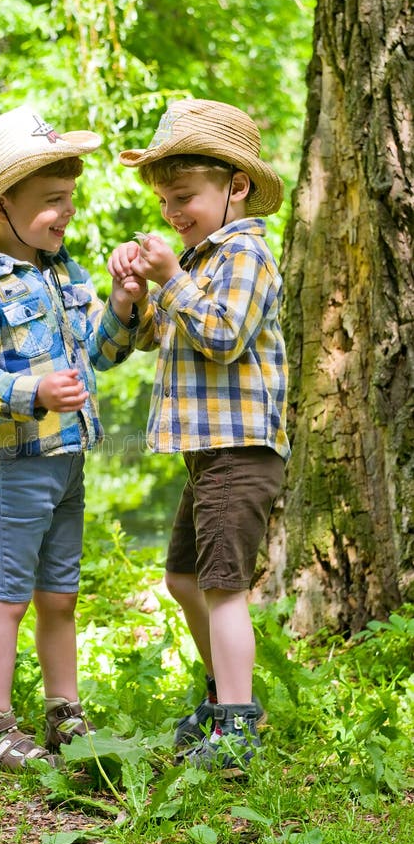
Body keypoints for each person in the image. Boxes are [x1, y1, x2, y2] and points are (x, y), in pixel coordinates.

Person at [0, 104, 143, 771]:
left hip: (67, 462)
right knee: (11, 597)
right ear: (0, 206)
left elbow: (101, 354)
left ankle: (65, 714)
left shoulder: (65, 274)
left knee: (60, 595)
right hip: (14, 467)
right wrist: (35, 394)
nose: (67, 213)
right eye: (52, 201)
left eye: (69, 198)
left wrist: (121, 305)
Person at [108, 98, 291, 775]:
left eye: (183, 196)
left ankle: (237, 730)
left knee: (223, 588)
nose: (171, 213)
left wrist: (172, 277)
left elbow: (221, 337)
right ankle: (227, 702)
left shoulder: (246, 256)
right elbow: (145, 336)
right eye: (163, 200)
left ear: (235, 187)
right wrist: (131, 293)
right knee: (185, 578)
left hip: (241, 450)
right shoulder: (196, 262)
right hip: (207, 454)